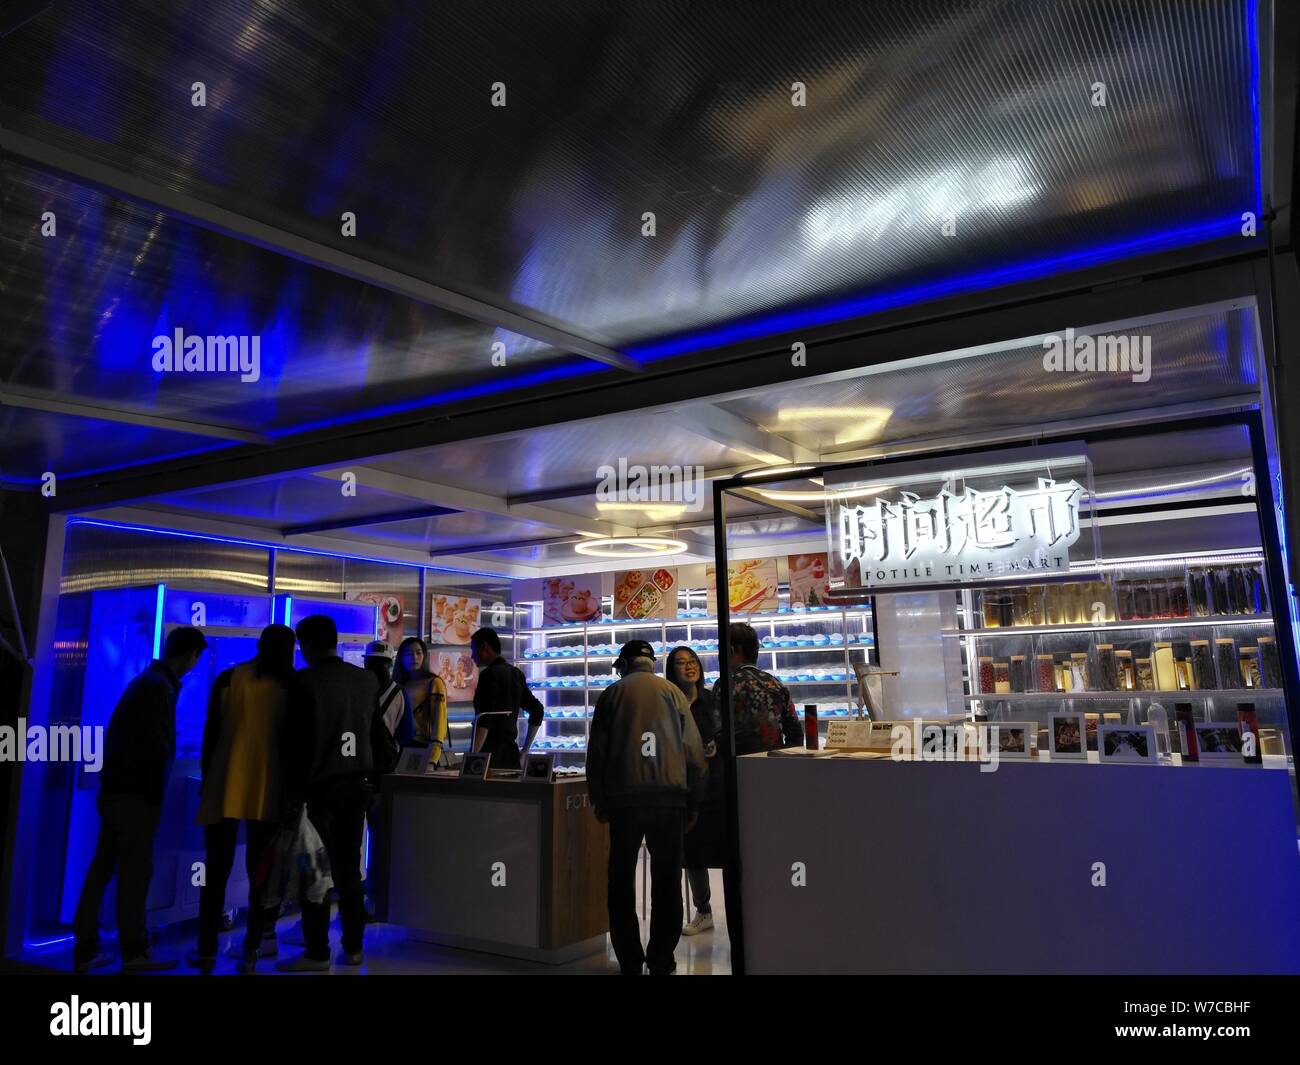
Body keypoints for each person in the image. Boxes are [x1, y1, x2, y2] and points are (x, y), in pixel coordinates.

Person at [73, 625, 208, 973]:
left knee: (103, 868)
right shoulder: (157, 689)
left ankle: (86, 947)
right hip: (135, 795)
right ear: (191, 656)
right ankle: (134, 951)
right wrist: (153, 796)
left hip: (119, 791)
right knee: (135, 872)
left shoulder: (148, 683)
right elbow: (153, 748)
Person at [587, 640, 707, 975]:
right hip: (669, 800)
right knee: (667, 882)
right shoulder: (673, 693)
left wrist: (598, 797)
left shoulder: (611, 695)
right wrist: (694, 800)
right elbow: (694, 753)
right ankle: (660, 959)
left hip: (624, 803)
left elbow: (596, 753)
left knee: (620, 881)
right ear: (652, 663)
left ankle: (629, 960)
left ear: (625, 663)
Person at [190, 624, 296, 973]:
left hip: (224, 789)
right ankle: (251, 949)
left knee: (215, 874)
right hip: (269, 794)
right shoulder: (292, 686)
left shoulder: (228, 679)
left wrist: (208, 781)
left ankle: (206, 949)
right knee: (260, 877)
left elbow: (211, 736)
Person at [276, 615, 380, 971]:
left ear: (307, 645)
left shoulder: (303, 682)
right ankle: (354, 948)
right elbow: (376, 737)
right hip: (357, 789)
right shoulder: (366, 681)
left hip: (317, 794)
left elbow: (295, 744)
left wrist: (290, 795)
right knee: (349, 871)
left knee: (314, 870)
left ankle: (317, 952)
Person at [666, 645, 724, 937]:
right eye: (681, 663)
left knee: (712, 846)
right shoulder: (669, 702)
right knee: (691, 851)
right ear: (671, 670)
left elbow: (722, 735)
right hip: (680, 782)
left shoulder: (711, 700)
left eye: (692, 661)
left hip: (711, 783)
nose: (689, 667)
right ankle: (703, 910)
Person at [362, 639, 404, 914]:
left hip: (352, 775)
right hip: (383, 777)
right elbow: (408, 734)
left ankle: (348, 902)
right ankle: (376, 900)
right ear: (390, 664)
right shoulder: (398, 693)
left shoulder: (354, 689)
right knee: (378, 842)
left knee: (349, 842)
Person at [716, 622, 802, 756]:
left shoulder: (725, 684)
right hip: (772, 764)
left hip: (738, 768)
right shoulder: (775, 683)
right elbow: (795, 733)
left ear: (734, 650)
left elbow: (717, 731)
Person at [469, 628, 543, 769]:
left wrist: (472, 758)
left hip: (488, 759)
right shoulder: (516, 674)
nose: (472, 656)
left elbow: (484, 720)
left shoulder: (488, 675)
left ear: (484, 647)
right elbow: (538, 710)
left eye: (473, 649)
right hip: (511, 756)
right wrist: (525, 750)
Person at [393, 637, 443, 757]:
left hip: (422, 746)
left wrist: (433, 756)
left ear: (424, 655)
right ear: (401, 658)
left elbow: (439, 721)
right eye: (408, 654)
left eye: (418, 653)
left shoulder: (434, 683)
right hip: (398, 746)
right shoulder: (398, 683)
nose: (414, 658)